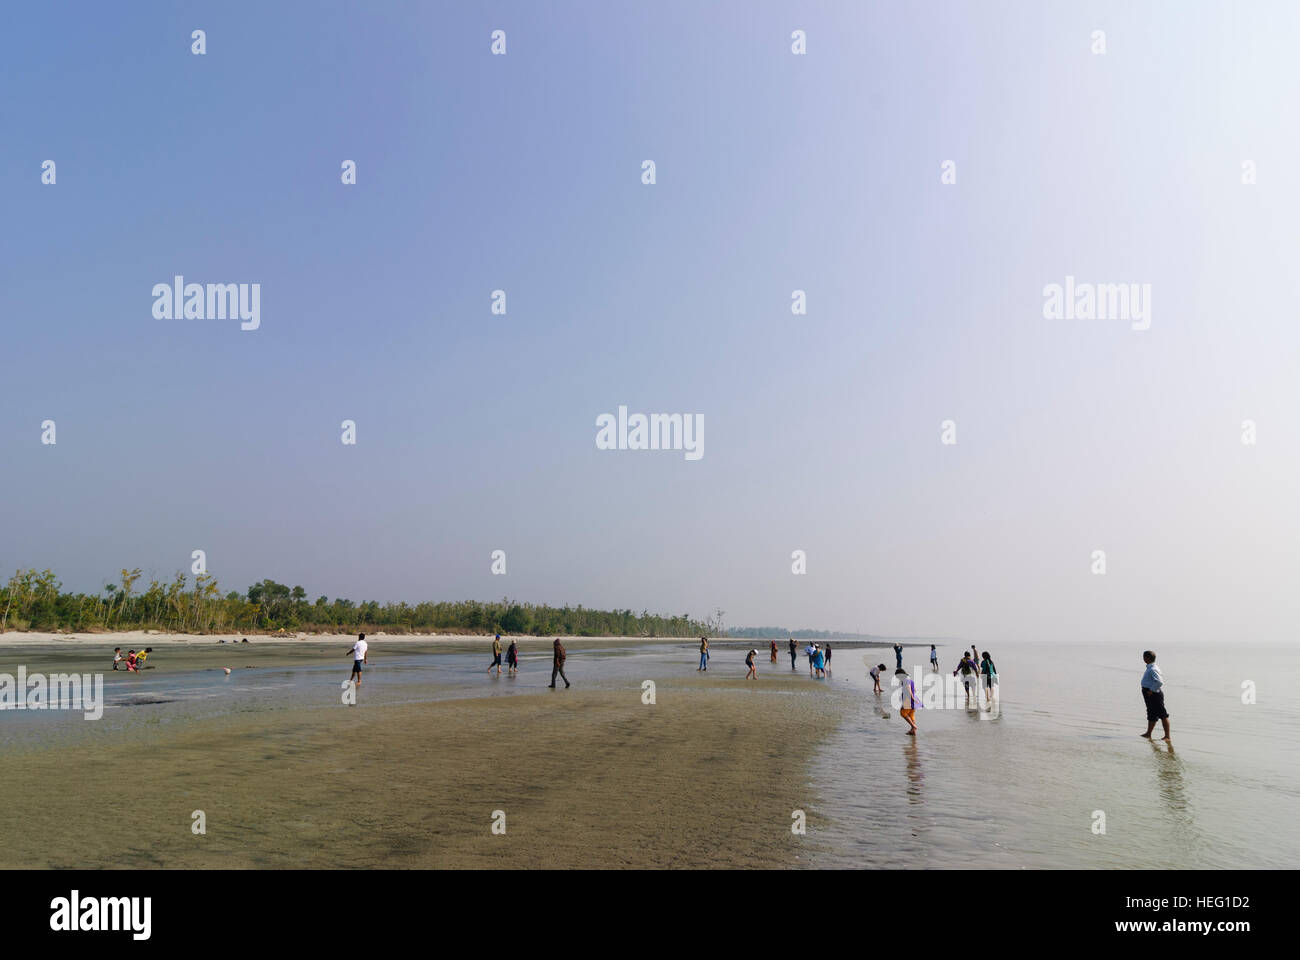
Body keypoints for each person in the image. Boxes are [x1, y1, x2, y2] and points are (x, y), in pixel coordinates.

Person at [1140, 650, 1170, 741]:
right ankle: (1148, 733)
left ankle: (1167, 736)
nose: (1143, 658)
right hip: (1149, 693)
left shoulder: (1153, 668)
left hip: (1154, 694)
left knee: (1162, 715)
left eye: (1144, 657)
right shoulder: (1150, 667)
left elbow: (1159, 681)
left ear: (1147, 658)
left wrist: (1151, 690)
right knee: (1151, 713)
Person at [896, 668, 919, 735]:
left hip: (908, 699)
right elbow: (914, 689)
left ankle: (913, 727)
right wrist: (913, 697)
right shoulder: (909, 679)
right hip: (912, 699)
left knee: (902, 713)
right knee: (911, 714)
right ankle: (913, 731)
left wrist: (911, 697)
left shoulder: (905, 680)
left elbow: (909, 688)